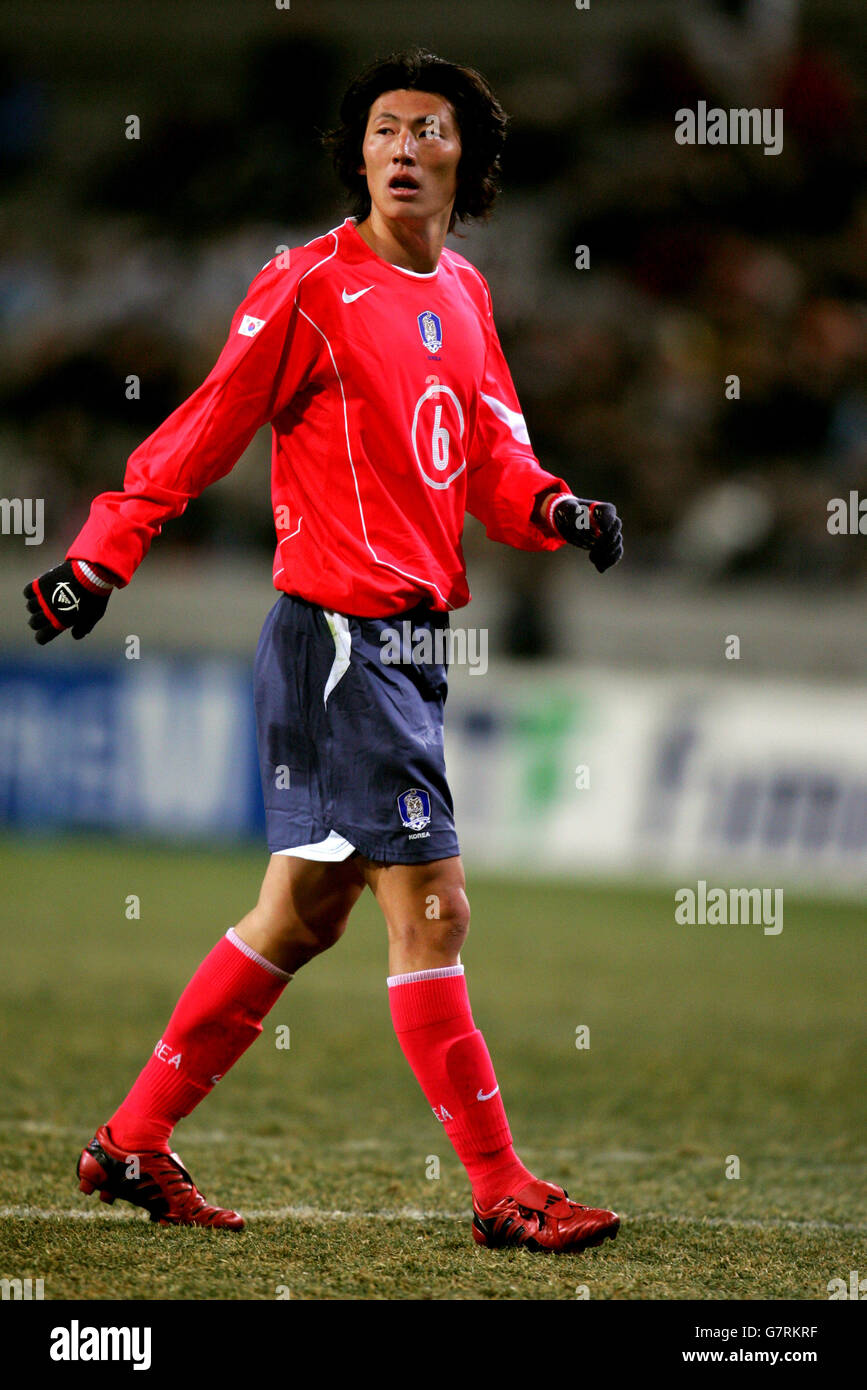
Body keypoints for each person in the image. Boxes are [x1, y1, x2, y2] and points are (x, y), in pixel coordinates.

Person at [24, 48, 623, 1253]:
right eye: (385, 129)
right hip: (341, 638)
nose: (405, 146)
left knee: (301, 913)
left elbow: (495, 456)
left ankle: (132, 1141)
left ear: (469, 162)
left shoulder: (465, 292)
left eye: (431, 131)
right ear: (358, 156)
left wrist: (554, 507)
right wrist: (104, 550)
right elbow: (208, 422)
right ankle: (501, 1189)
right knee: (436, 912)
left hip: (411, 641)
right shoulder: (304, 284)